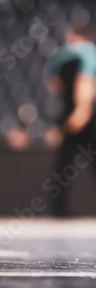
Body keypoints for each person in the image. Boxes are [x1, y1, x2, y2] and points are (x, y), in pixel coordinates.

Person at [44, 24, 96, 217]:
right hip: (84, 115)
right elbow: (86, 82)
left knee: (64, 165)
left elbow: (53, 84)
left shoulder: (62, 55)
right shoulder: (89, 53)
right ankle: (59, 209)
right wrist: (83, 109)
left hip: (72, 113)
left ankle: (58, 209)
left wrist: (75, 111)